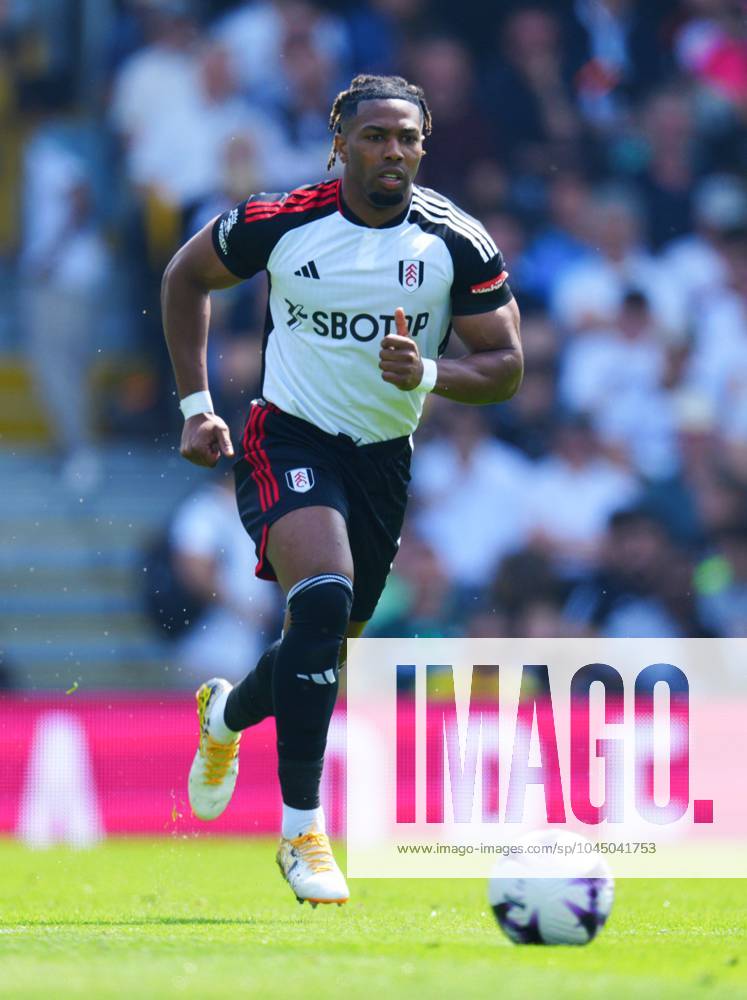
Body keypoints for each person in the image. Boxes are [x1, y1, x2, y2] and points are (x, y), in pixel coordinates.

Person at [161, 73, 522, 907]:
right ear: (339, 143)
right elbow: (186, 278)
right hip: (285, 434)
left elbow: (505, 368)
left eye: (405, 137)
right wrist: (194, 408)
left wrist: (429, 371)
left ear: (423, 147)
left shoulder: (453, 242)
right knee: (320, 600)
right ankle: (302, 833)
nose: (390, 150)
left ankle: (224, 719)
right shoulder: (282, 221)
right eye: (373, 136)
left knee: (324, 645)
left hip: (382, 459)